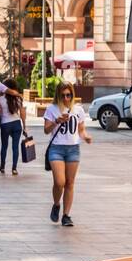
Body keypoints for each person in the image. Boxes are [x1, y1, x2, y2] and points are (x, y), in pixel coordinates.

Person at [44, 82, 92, 227]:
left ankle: (66, 215)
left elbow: (81, 130)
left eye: (69, 95)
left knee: (70, 183)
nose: (66, 98)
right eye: (63, 95)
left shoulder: (78, 110)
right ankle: (56, 204)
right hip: (56, 149)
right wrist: (56, 121)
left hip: (73, 149)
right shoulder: (51, 109)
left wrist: (86, 136)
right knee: (59, 182)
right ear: (58, 95)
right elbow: (46, 130)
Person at [0, 86, 27, 175]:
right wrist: (24, 126)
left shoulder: (0, 99)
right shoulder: (17, 99)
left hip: (5, 124)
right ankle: (14, 169)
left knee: (4, 146)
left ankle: (2, 167)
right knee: (15, 147)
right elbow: (22, 113)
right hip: (16, 124)